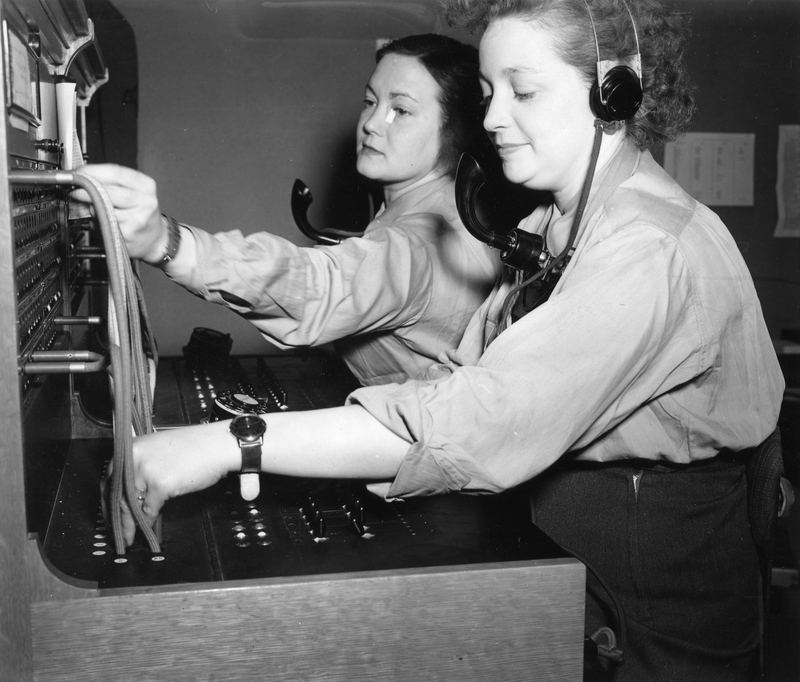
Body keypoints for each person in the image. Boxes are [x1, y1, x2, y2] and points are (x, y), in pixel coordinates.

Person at [102, 1, 784, 680]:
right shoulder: (557, 224)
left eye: (524, 90)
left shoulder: (647, 245)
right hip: (578, 528)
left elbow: (481, 416)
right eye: (488, 94)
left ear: (615, 87)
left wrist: (232, 442)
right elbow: (459, 379)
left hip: (653, 574)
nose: (490, 120)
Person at [79, 34, 504, 387]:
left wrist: (165, 242)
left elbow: (323, 285)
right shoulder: (438, 209)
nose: (372, 123)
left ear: (458, 129)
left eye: (401, 110)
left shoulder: (423, 242)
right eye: (370, 102)